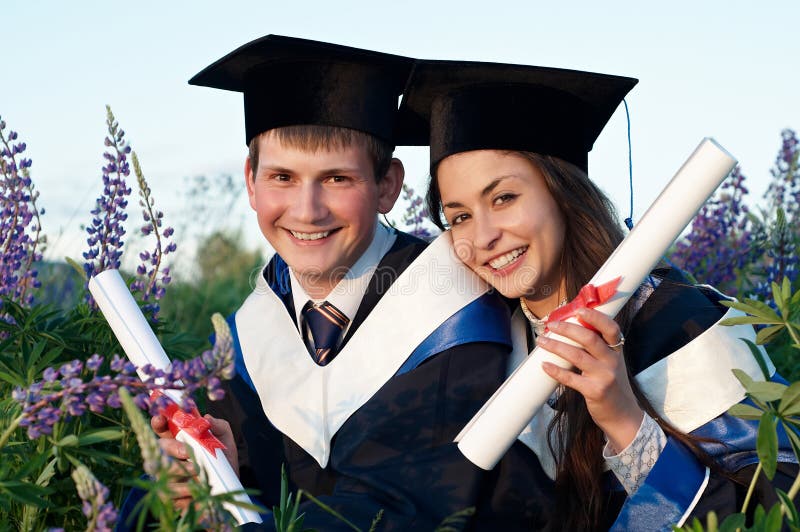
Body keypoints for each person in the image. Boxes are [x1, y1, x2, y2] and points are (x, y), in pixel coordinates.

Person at [144, 37, 552, 531]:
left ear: (387, 186)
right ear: (250, 182)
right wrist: (217, 481)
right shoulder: (244, 336)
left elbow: (400, 510)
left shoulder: (453, 310)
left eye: (337, 179)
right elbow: (229, 504)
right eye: (282, 177)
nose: (307, 210)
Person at [396, 59, 797, 531]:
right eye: (459, 215)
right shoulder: (480, 336)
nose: (482, 237)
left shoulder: (682, 324)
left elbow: (773, 513)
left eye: (503, 198)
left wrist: (624, 419)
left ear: (564, 192)